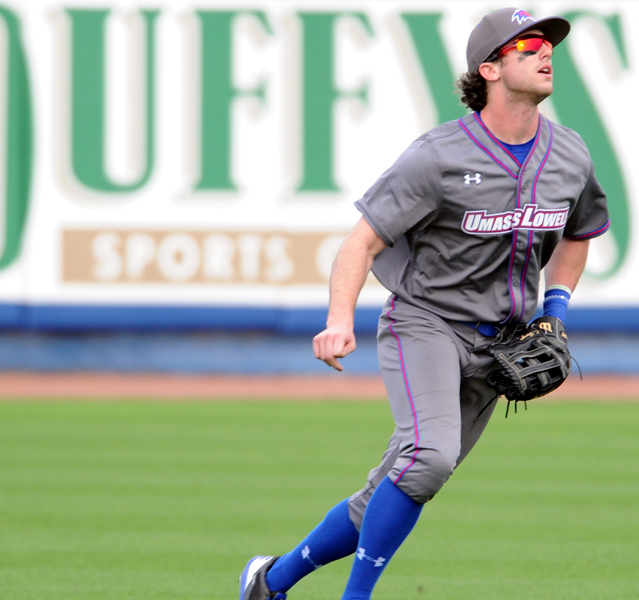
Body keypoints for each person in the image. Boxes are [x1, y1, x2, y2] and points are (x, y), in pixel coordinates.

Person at [239, 8, 610, 600]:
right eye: (530, 45)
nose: (546, 54)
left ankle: (269, 580)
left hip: (504, 343)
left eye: (549, 45)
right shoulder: (438, 156)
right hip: (427, 323)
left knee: (398, 483)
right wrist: (339, 320)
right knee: (429, 459)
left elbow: (579, 230)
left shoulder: (568, 154)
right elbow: (360, 241)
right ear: (489, 69)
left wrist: (555, 312)